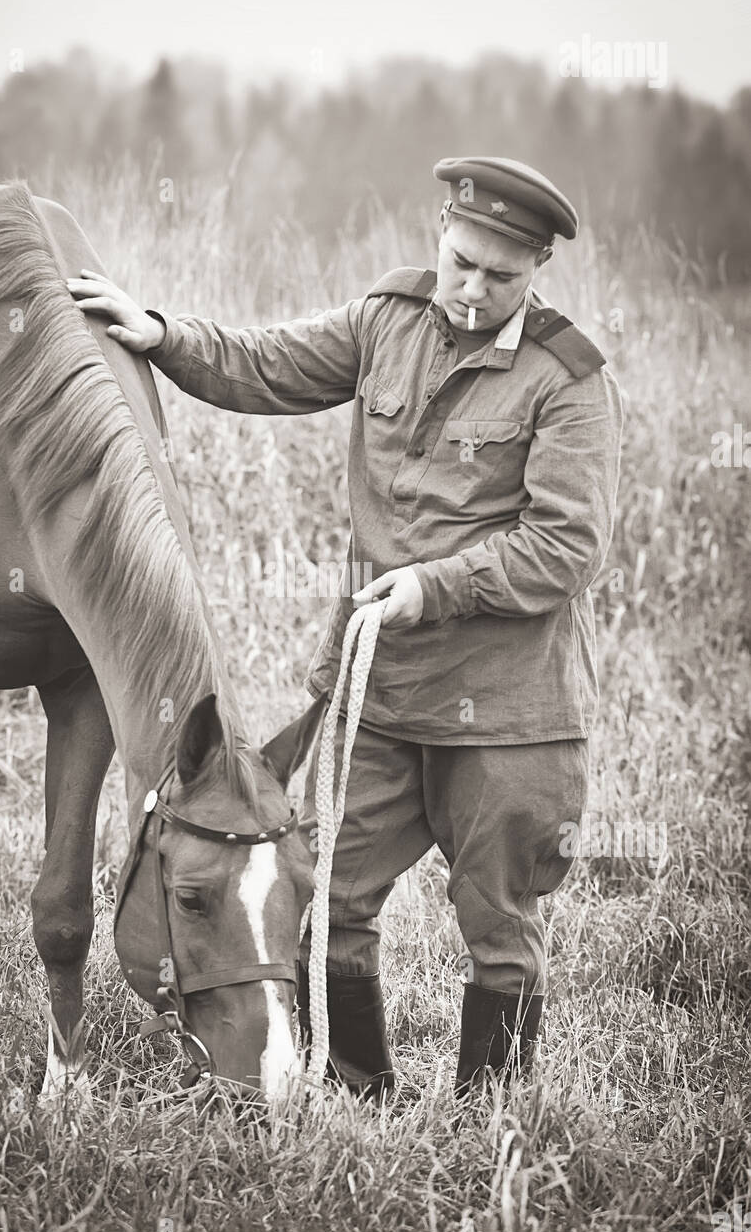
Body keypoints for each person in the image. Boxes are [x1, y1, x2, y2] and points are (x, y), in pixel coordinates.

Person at [67, 156, 624, 1103]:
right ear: (439, 236)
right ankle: (361, 1093)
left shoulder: (568, 379)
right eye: (460, 262)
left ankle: (490, 1121)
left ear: (537, 270)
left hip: (511, 714)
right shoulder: (387, 320)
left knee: (499, 923)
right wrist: (161, 333)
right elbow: (265, 365)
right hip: (381, 695)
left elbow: (568, 545)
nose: (472, 290)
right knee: (328, 903)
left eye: (500, 276)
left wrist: (430, 587)